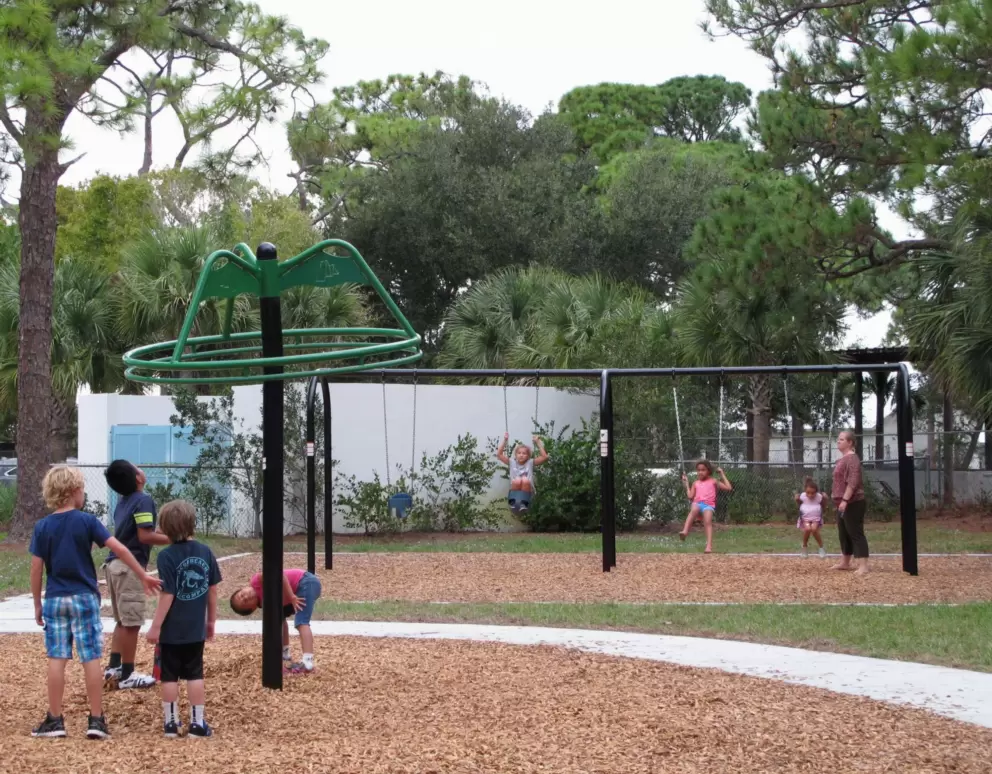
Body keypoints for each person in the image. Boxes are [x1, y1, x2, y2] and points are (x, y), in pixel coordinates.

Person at [30, 466, 161, 740]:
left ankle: (55, 720)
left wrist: (37, 604)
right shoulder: (87, 521)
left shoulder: (42, 527)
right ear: (74, 491)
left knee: (57, 658)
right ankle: (96, 720)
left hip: (55, 599)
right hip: (85, 598)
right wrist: (142, 575)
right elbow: (121, 549)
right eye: (82, 490)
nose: (84, 494)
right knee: (90, 658)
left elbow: (36, 569)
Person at [146, 500, 221, 739]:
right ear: (192, 524)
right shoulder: (205, 552)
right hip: (195, 628)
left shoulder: (166, 556)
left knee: (169, 676)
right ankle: (197, 724)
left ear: (165, 528)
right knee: (195, 674)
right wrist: (211, 622)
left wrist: (155, 626)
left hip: (170, 631)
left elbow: (168, 593)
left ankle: (171, 723)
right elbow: (212, 590)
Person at [102, 459, 171, 689]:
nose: (142, 469)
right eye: (137, 468)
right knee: (132, 623)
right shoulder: (143, 500)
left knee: (122, 620)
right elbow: (145, 536)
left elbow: (143, 530)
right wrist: (175, 539)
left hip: (114, 566)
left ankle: (114, 667)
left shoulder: (124, 501)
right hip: (129, 567)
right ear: (138, 478)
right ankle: (128, 674)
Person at [229, 568, 322, 674]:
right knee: (279, 620)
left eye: (242, 594)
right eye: (245, 601)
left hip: (305, 582)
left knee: (301, 622)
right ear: (253, 608)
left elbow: (279, 573)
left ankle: (308, 662)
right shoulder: (265, 604)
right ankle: (285, 653)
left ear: (243, 588)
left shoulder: (256, 581)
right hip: (297, 590)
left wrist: (291, 596)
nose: (246, 596)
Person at [831, 430, 869, 574]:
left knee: (855, 532)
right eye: (838, 439)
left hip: (853, 502)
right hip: (842, 503)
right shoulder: (842, 459)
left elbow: (853, 482)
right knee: (844, 532)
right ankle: (845, 562)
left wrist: (845, 500)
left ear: (850, 442)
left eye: (841, 439)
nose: (838, 441)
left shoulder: (852, 459)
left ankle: (863, 565)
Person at [679, 460, 733, 553]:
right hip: (697, 503)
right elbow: (690, 496)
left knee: (707, 522)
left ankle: (708, 546)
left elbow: (728, 488)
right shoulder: (695, 483)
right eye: (698, 470)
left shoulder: (714, 481)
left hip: (708, 505)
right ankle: (685, 531)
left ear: (708, 471)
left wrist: (722, 475)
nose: (700, 472)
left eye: (703, 470)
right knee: (694, 508)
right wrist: (686, 484)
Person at [496, 433, 549, 514]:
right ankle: (513, 501)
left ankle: (524, 503)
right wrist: (505, 440)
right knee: (517, 480)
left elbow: (545, 457)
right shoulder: (511, 462)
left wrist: (537, 442)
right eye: (519, 453)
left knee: (524, 479)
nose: (521, 455)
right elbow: (499, 455)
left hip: (528, 489)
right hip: (515, 488)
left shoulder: (530, 462)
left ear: (528, 456)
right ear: (516, 455)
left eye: (524, 453)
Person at [795, 477, 827, 559]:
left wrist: (825, 499)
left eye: (812, 493)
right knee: (808, 529)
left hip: (816, 518)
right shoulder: (802, 496)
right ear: (805, 491)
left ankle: (821, 548)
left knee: (814, 529)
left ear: (816, 492)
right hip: (805, 517)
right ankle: (804, 548)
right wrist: (797, 499)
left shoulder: (819, 497)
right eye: (808, 493)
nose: (810, 495)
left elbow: (823, 506)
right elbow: (799, 505)